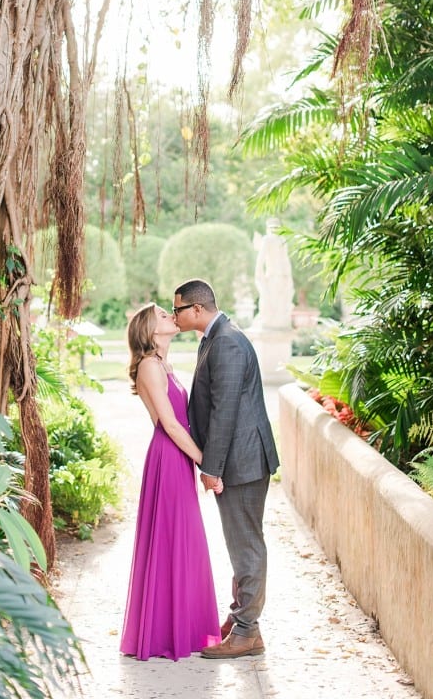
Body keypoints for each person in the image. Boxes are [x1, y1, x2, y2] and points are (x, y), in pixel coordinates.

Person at [172, 279, 279, 659]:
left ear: (197, 309)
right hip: (239, 460)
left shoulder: (227, 342)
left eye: (178, 309)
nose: (174, 316)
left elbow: (225, 412)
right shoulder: (215, 338)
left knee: (246, 545)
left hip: (242, 463)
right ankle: (241, 620)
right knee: (241, 544)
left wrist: (211, 468)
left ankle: (247, 631)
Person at [119, 302, 221, 661]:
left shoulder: (164, 364)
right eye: (163, 315)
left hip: (177, 457)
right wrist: (206, 462)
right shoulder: (149, 365)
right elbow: (171, 424)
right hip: (168, 456)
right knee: (172, 539)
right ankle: (165, 634)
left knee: (183, 540)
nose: (171, 316)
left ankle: (182, 628)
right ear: (150, 330)